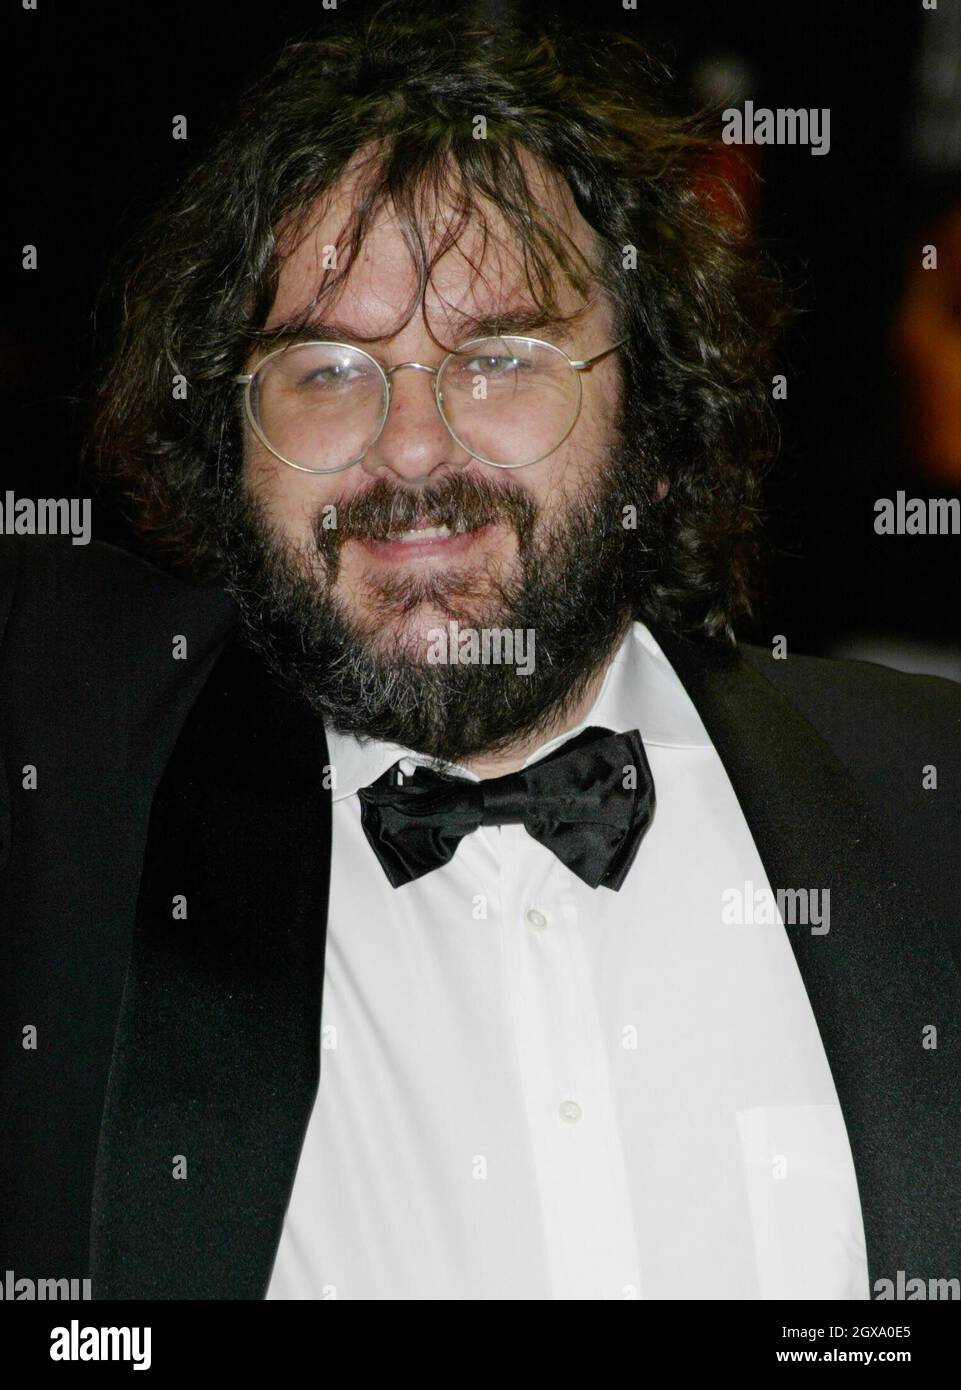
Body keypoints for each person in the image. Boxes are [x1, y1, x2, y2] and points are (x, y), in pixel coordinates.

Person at [1, 1, 958, 1302]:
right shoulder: (74, 768)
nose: (407, 444)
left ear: (655, 415)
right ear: (230, 446)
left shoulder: (929, 793)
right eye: (327, 368)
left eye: (498, 356)